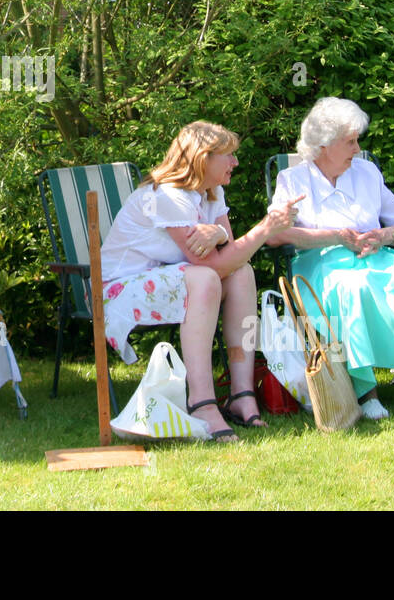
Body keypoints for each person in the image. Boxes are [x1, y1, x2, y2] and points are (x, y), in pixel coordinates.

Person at [100, 121, 301, 440]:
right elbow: (215, 262)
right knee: (207, 277)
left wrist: (219, 231)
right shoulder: (167, 194)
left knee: (242, 274)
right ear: (203, 158)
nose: (235, 163)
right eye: (229, 156)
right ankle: (202, 401)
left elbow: (233, 253)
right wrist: (265, 229)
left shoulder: (211, 192)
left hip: (174, 279)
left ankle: (241, 394)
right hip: (118, 290)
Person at [269, 98, 394, 419]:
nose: (357, 149)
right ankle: (367, 394)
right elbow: (274, 235)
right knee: (352, 288)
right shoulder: (294, 180)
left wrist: (383, 236)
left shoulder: (367, 172)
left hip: (376, 258)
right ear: (324, 145)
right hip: (320, 265)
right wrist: (336, 237)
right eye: (350, 141)